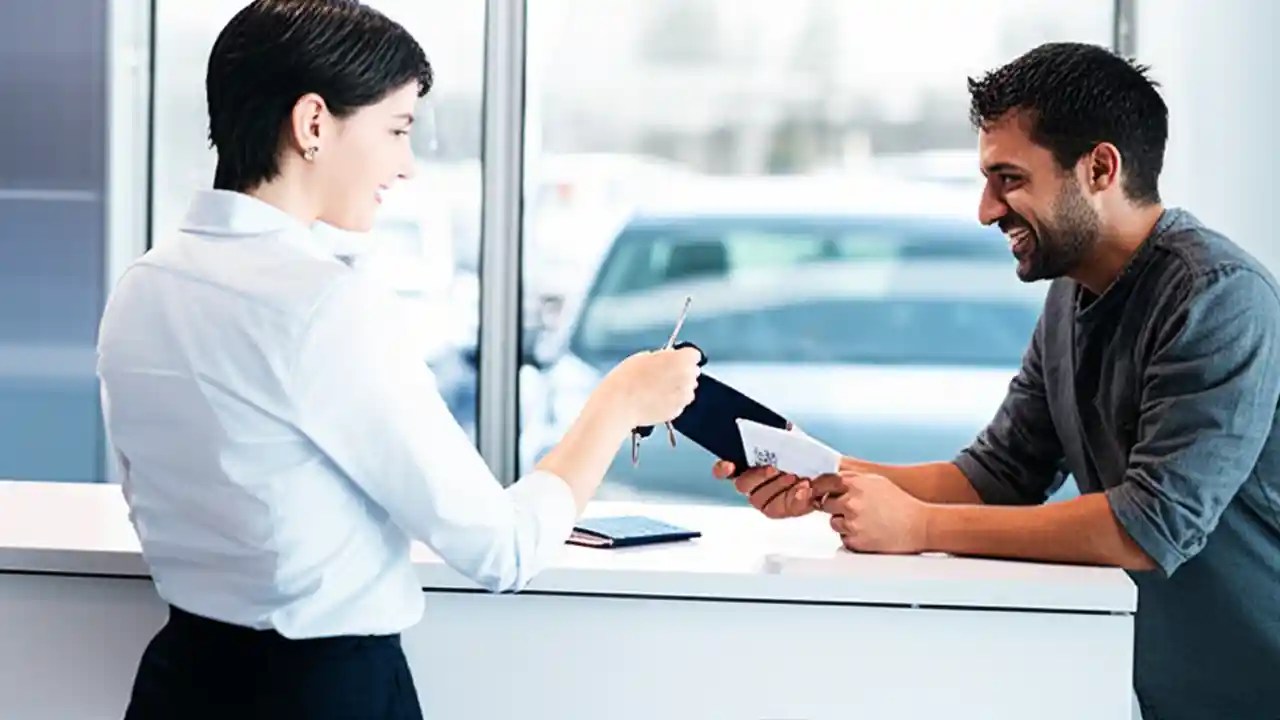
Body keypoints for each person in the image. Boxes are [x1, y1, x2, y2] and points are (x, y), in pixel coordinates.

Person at [96, 1, 701, 718]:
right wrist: (619, 403)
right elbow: (501, 549)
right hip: (321, 696)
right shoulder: (325, 306)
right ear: (313, 123)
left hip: (179, 685)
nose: (407, 165)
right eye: (396, 129)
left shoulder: (142, 286)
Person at [714, 43, 1280, 720]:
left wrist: (919, 525)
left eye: (1008, 179)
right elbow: (997, 475)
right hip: (1167, 694)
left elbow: (1151, 526)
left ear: (1099, 168)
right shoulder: (1071, 298)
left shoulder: (1217, 296)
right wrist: (820, 473)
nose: (986, 210)